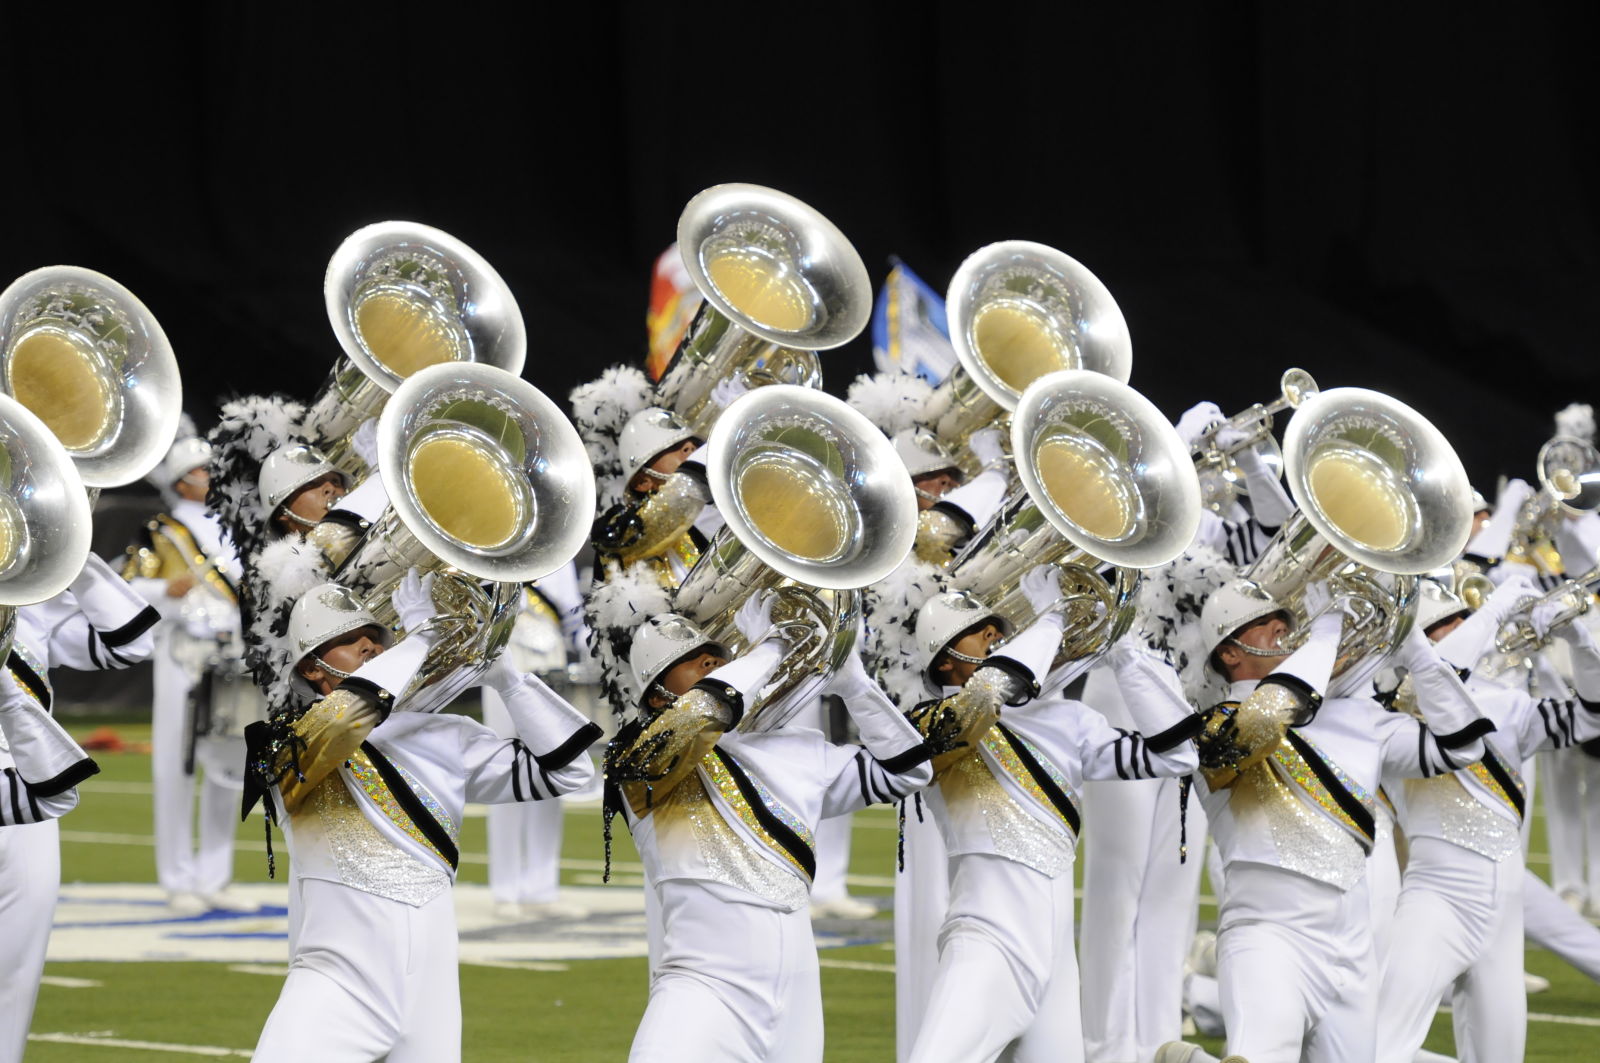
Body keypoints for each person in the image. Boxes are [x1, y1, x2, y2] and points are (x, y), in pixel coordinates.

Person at [246, 575, 600, 1062]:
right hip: (338, 979)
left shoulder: (448, 736)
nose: (369, 645)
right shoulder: (286, 743)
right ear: (312, 668)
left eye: (375, 638)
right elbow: (347, 718)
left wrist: (511, 681)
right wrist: (425, 639)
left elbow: (569, 772)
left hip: (431, 990)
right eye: (349, 642)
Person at [1158, 577, 1492, 1063]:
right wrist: (1328, 627)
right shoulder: (1214, 725)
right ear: (1230, 653)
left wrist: (1417, 650)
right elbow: (1272, 714)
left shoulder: (1359, 718)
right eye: (1269, 627)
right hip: (1268, 939)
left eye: (1291, 624)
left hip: (1353, 951)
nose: (1287, 631)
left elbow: (1464, 744)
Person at [606, 595, 937, 1062]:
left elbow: (908, 771)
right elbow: (704, 711)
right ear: (657, 695)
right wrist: (774, 645)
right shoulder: (640, 760)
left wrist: (856, 686)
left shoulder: (798, 749)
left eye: (719, 659)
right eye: (691, 663)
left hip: (799, 997)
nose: (714, 664)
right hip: (704, 988)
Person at [903, 571, 1202, 1063]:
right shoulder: (929, 723)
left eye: (1001, 633)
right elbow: (993, 693)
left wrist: (1124, 651)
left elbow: (1177, 755)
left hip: (1058, 962)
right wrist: (1055, 616)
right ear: (946, 661)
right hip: (987, 940)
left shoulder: (1068, 722)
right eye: (984, 634)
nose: (1000, 639)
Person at [1374, 576, 1600, 1061]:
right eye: (1453, 623)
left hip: (1506, 905)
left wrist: (1579, 637)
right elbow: (1430, 680)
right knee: (1377, 1045)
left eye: (1465, 619)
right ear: (1423, 641)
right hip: (1438, 898)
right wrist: (1493, 611)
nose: (1469, 628)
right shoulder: (1395, 706)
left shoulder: (1507, 703)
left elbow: (1593, 716)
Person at [0, 552, 159, 1063]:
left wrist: (74, 555)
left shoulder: (30, 603)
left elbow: (132, 641)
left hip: (31, 792)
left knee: (13, 981)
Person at [123, 431, 260, 914]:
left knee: (228, 766)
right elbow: (126, 589)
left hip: (234, 654)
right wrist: (166, 592)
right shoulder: (159, 531)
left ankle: (214, 876)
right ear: (183, 482)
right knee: (176, 764)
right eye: (205, 470)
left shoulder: (240, 528)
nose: (216, 477)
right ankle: (178, 878)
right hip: (182, 650)